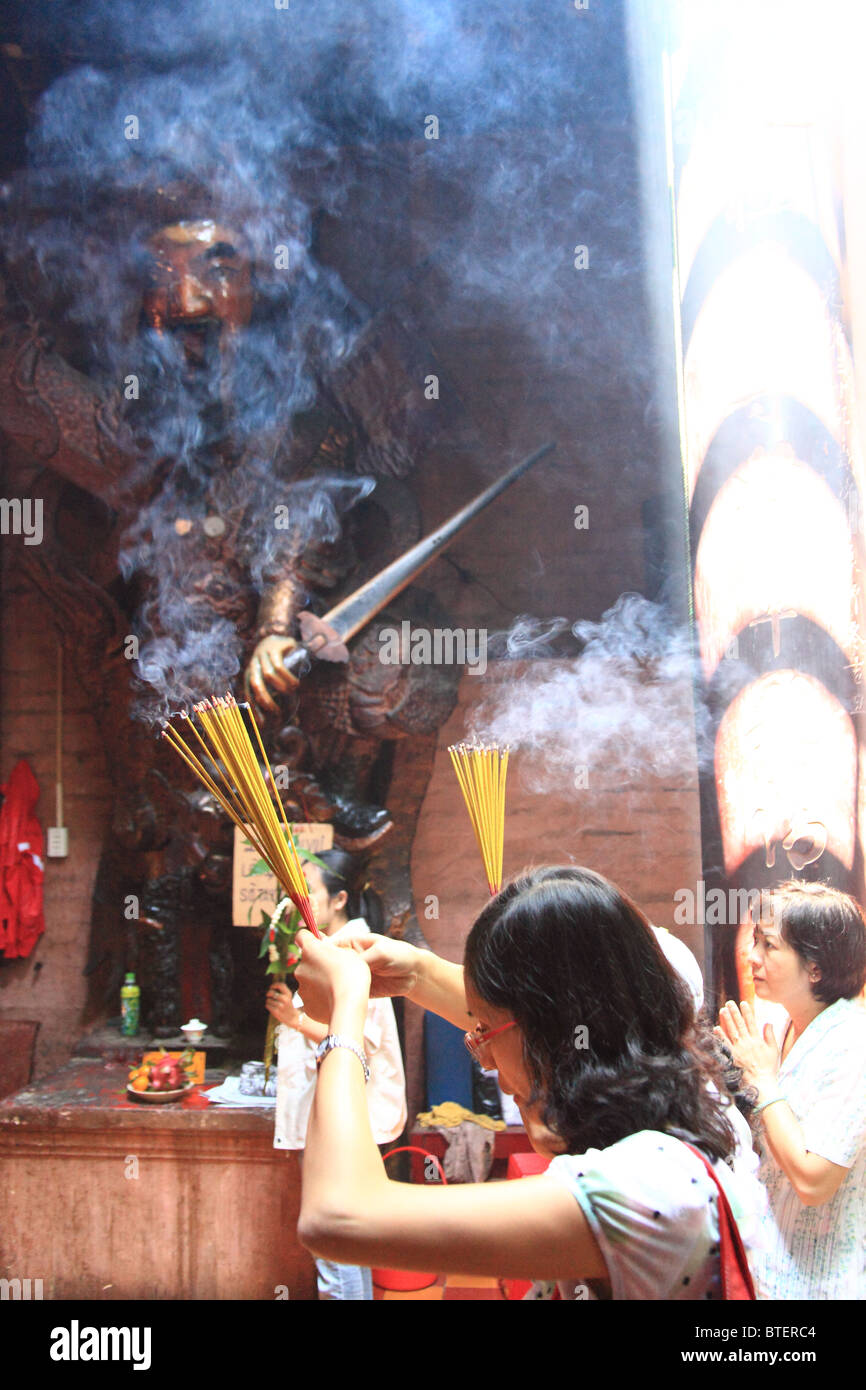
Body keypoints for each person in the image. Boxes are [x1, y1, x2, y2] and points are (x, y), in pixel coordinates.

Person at [289, 865, 765, 1299]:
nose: (487, 1060)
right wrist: (415, 972)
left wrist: (347, 1009)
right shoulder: (670, 1123)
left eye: (485, 1030)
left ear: (558, 1030)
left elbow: (337, 1215)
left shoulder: (651, 1183)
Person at [266, 850, 406, 1300]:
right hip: (331, 1113)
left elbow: (360, 1043)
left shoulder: (355, 954)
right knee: (338, 1242)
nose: (297, 901)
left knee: (336, 1241)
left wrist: (296, 1020)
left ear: (340, 898)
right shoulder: (327, 949)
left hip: (346, 1117)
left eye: (307, 892)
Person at [716, 879, 866, 1299]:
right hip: (768, 1269)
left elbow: (814, 1180)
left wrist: (762, 1080)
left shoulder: (854, 1041)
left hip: (822, 1283)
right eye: (754, 942)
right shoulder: (783, 1026)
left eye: (768, 946)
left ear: (815, 968)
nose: (751, 957)